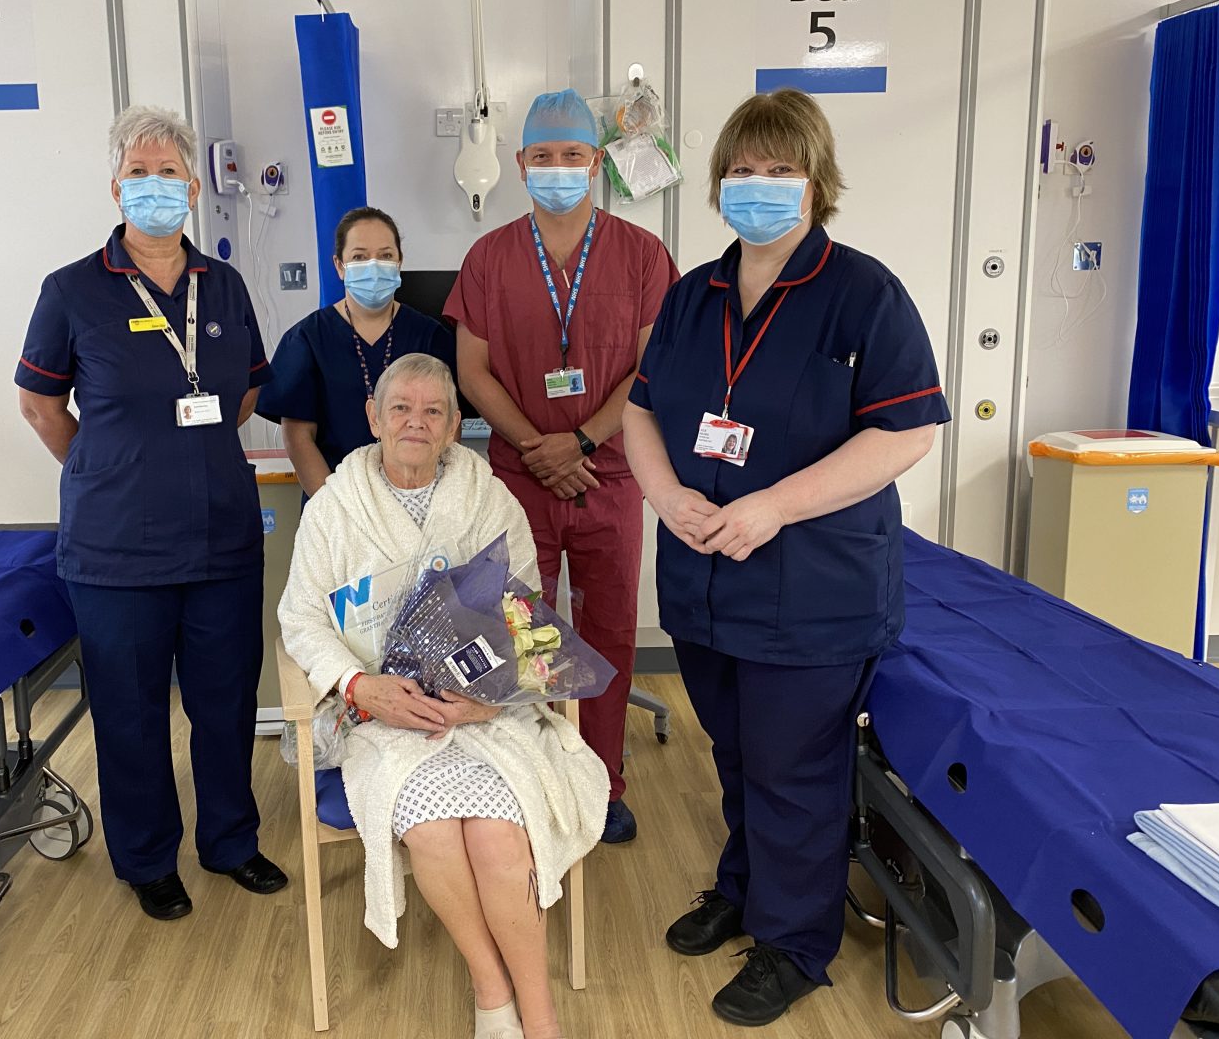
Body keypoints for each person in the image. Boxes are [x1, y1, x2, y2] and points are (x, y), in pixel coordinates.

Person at [622, 88, 949, 1026]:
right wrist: (664, 494)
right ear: (719, 182)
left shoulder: (864, 295)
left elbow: (903, 435)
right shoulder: (695, 295)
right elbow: (642, 409)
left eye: (780, 170)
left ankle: (795, 943)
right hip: (706, 580)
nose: (758, 186)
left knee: (793, 769)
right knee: (734, 753)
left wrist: (772, 506)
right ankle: (744, 884)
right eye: (743, 170)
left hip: (813, 590)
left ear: (817, 184)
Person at [279, 353, 607, 1039]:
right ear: (373, 417)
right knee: (430, 826)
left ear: (456, 425)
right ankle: (492, 995)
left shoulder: (490, 499)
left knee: (495, 832)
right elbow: (301, 619)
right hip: (380, 716)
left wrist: (489, 701)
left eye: (433, 412)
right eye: (400, 409)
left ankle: (538, 1017)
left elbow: (527, 610)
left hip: (485, 714)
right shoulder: (335, 508)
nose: (415, 424)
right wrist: (359, 684)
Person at [15, 105, 287, 922]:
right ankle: (145, 860)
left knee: (226, 701)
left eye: (170, 173)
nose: (156, 187)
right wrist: (109, 469)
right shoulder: (70, 291)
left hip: (220, 541)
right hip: (116, 551)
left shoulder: (224, 284)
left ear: (194, 189)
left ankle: (231, 841)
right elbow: (38, 404)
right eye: (140, 173)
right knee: (131, 715)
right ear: (115, 188)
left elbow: (243, 392)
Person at [445, 89, 677, 845]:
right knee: (526, 637)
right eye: (542, 157)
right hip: (520, 482)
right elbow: (472, 372)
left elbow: (652, 369)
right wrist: (540, 449)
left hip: (610, 475)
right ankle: (531, 776)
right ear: (518, 166)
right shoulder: (489, 258)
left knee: (608, 634)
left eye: (572, 155)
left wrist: (577, 443)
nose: (557, 168)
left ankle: (602, 786)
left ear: (597, 162)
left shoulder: (643, 256)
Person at [258, 207, 457, 497]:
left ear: (399, 262)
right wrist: (337, 510)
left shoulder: (430, 336)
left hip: (418, 497)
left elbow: (449, 426)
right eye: (360, 257)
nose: (374, 266)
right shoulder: (307, 340)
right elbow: (299, 437)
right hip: (335, 499)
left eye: (386, 256)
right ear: (339, 266)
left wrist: (430, 497)